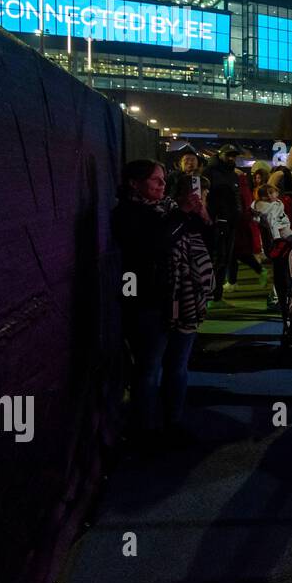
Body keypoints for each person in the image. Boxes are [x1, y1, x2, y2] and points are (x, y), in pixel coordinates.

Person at [112, 160, 213, 448]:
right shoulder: (126, 213)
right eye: (155, 180)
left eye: (163, 179)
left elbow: (204, 244)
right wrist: (182, 214)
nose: (162, 184)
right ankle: (145, 430)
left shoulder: (170, 210)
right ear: (134, 182)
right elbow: (153, 246)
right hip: (149, 300)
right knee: (148, 368)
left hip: (184, 299)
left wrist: (203, 217)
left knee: (178, 366)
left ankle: (173, 422)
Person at [203, 145, 243, 300]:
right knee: (216, 257)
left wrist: (237, 213)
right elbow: (205, 197)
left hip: (230, 222)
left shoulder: (232, 174)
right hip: (216, 222)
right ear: (220, 155)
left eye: (234, 156)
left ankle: (216, 291)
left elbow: (236, 196)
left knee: (224, 258)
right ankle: (210, 291)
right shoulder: (210, 172)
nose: (232, 158)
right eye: (229, 155)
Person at [254, 184, 292, 310]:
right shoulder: (267, 209)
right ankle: (276, 298)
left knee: (283, 270)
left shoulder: (274, 205)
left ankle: (277, 297)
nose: (273, 195)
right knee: (282, 271)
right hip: (280, 241)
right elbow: (273, 225)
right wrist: (278, 239)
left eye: (274, 192)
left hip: (282, 239)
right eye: (269, 194)